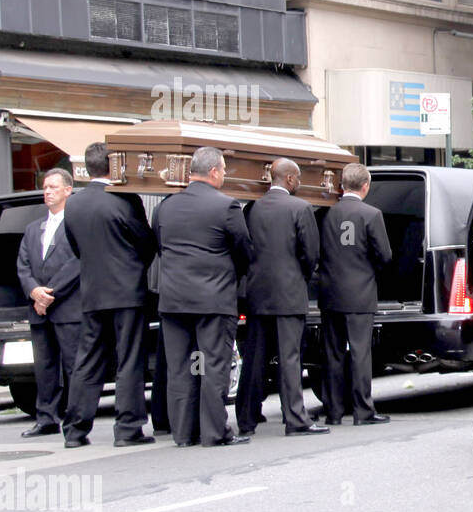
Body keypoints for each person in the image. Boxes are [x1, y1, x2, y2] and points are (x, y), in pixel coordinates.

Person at [153, 146, 255, 447]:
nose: (224, 175)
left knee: (181, 367)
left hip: (173, 299)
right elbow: (244, 251)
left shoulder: (166, 206)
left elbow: (159, 246)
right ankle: (214, 432)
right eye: (223, 170)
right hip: (214, 298)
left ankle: (183, 433)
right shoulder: (227, 206)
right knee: (214, 366)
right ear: (213, 172)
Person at [61, 142, 157, 450]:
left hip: (92, 290)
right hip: (127, 290)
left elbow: (75, 248)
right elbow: (146, 242)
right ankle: (128, 426)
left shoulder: (74, 203)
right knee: (129, 360)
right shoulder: (124, 199)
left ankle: (75, 429)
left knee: (87, 360)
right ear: (113, 166)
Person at [235, 158, 327, 437]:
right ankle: (295, 419)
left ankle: (246, 418)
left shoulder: (251, 208)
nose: (299, 183)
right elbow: (311, 252)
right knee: (290, 358)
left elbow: (244, 247)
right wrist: (300, 274)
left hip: (257, 292)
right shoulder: (300, 208)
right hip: (289, 292)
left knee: (254, 357)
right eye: (298, 178)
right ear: (289, 179)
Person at [318, 162, 392, 426]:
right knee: (361, 353)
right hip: (360, 293)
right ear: (365, 186)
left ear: (341, 185)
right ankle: (363, 411)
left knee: (332, 353)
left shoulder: (325, 214)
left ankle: (333, 411)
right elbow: (384, 255)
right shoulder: (371, 214)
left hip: (330, 293)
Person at [15, 170, 82, 437]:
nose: (47, 191)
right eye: (45, 187)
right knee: (44, 366)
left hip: (66, 307)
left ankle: (76, 418)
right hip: (39, 309)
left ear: (68, 190)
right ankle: (46, 417)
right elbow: (23, 265)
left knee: (73, 365)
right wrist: (34, 291)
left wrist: (49, 293)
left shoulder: (76, 226)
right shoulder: (33, 229)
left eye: (53, 187)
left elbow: (77, 262)